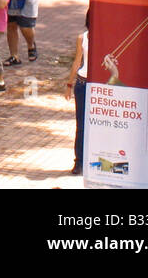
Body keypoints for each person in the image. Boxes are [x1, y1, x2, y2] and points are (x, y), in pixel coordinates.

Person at [64, 12, 90, 176]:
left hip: (99, 85)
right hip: (83, 82)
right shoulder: (83, 38)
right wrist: (69, 84)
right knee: (81, 125)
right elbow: (77, 61)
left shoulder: (108, 36)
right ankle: (79, 161)